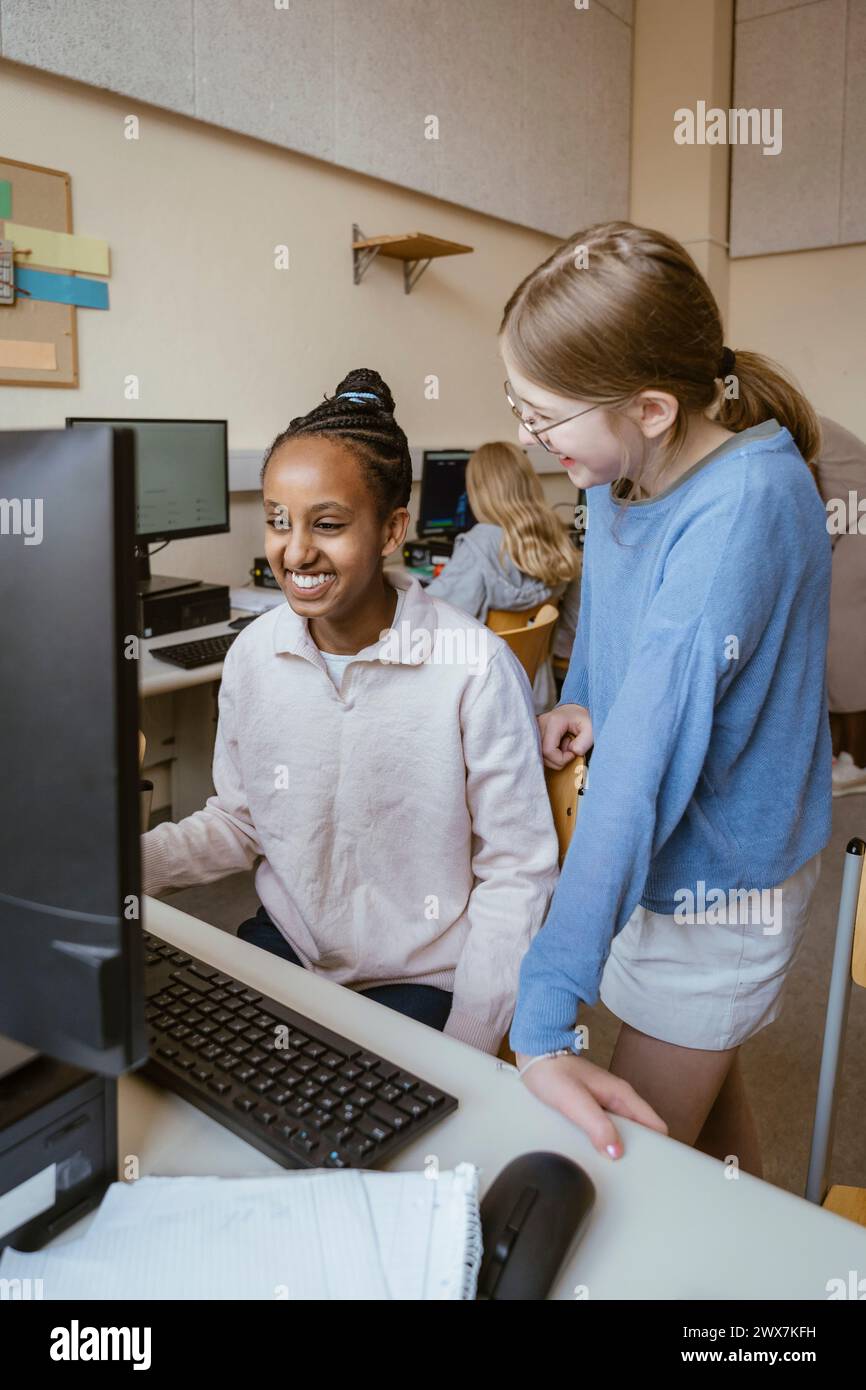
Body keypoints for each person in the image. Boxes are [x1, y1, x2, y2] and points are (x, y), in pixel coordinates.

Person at [500, 221, 831, 1173]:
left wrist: (543, 1015)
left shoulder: (742, 512)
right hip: (666, 856)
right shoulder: (618, 473)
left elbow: (639, 776)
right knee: (712, 1162)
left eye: (545, 417)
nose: (530, 437)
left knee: (622, 1175)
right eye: (517, 408)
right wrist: (589, 697)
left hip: (720, 883)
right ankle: (771, 1301)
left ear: (649, 407)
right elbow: (610, 613)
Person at [142, 368, 560, 1054]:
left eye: (328, 525)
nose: (295, 550)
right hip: (291, 947)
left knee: (369, 1136)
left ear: (393, 529)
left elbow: (516, 873)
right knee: (178, 1079)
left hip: (421, 976)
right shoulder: (253, 656)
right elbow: (242, 818)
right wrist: (129, 865)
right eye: (278, 521)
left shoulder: (474, 669)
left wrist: (470, 1043)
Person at [425, 440, 581, 712]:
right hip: (536, 697)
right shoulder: (558, 542)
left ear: (478, 492)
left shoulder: (478, 546)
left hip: (483, 703)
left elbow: (431, 623)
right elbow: (570, 635)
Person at [812, 415, 866, 796]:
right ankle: (839, 751)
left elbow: (809, 493)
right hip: (849, 517)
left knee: (842, 632)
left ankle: (858, 760)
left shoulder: (774, 422)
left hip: (859, 520)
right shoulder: (779, 412)